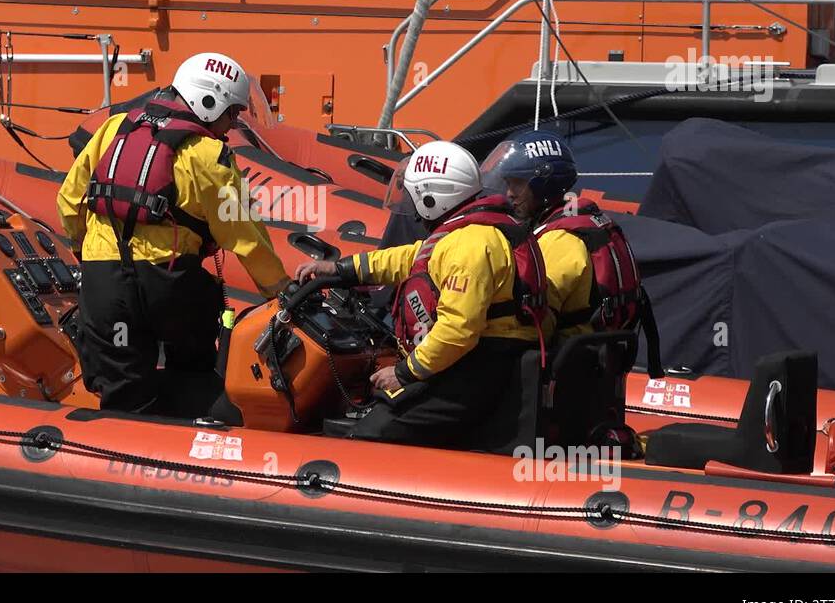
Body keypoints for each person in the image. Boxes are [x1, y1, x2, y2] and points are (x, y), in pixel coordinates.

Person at [58, 52, 291, 416]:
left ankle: (119, 450)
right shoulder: (210, 156)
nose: (231, 125)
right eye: (231, 113)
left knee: (122, 390)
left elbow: (69, 201)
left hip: (103, 281)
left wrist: (82, 249)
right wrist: (281, 294)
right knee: (195, 368)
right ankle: (195, 438)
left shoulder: (113, 128)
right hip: (168, 286)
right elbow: (247, 236)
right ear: (209, 102)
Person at [295, 141, 547, 448]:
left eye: (414, 197)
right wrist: (341, 270)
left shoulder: (468, 246)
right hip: (481, 362)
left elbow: (457, 332)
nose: (411, 208)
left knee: (373, 431)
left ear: (433, 198)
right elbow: (410, 258)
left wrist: (403, 373)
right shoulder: (467, 233)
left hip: (478, 370)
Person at [479, 130, 644, 342]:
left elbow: (538, 322)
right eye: (508, 183)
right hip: (599, 351)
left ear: (543, 185)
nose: (509, 193)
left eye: (517, 183)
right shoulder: (585, 219)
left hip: (568, 358)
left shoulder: (560, 240)